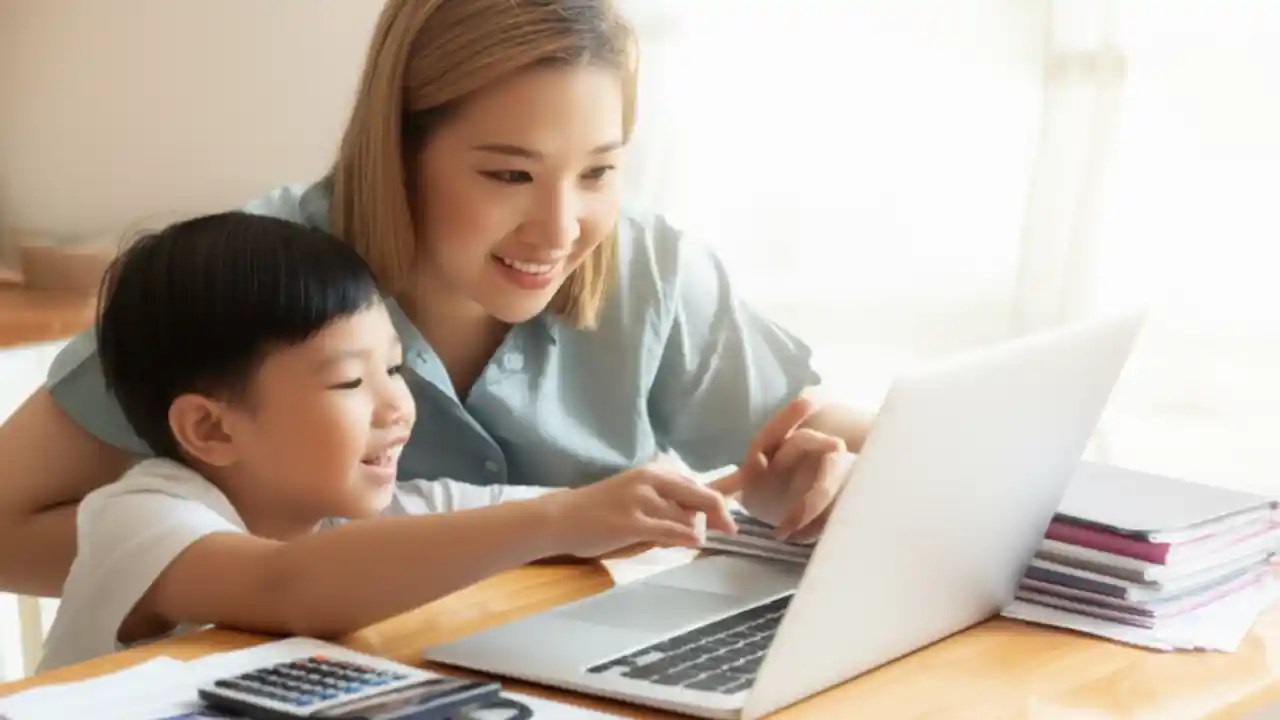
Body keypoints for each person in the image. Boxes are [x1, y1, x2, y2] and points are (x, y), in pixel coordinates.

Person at [0, 0, 872, 600]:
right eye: (506, 174)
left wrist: (834, 465)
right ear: (399, 146)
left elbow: (806, 428)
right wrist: (206, 560)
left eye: (601, 171)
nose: (558, 230)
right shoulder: (243, 286)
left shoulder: (647, 265)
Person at [39, 211, 742, 670]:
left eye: (396, 368)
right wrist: (562, 518)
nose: (397, 406)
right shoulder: (140, 517)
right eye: (350, 383)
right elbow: (288, 585)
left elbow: (579, 522)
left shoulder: (378, 515)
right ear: (211, 428)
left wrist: (715, 501)